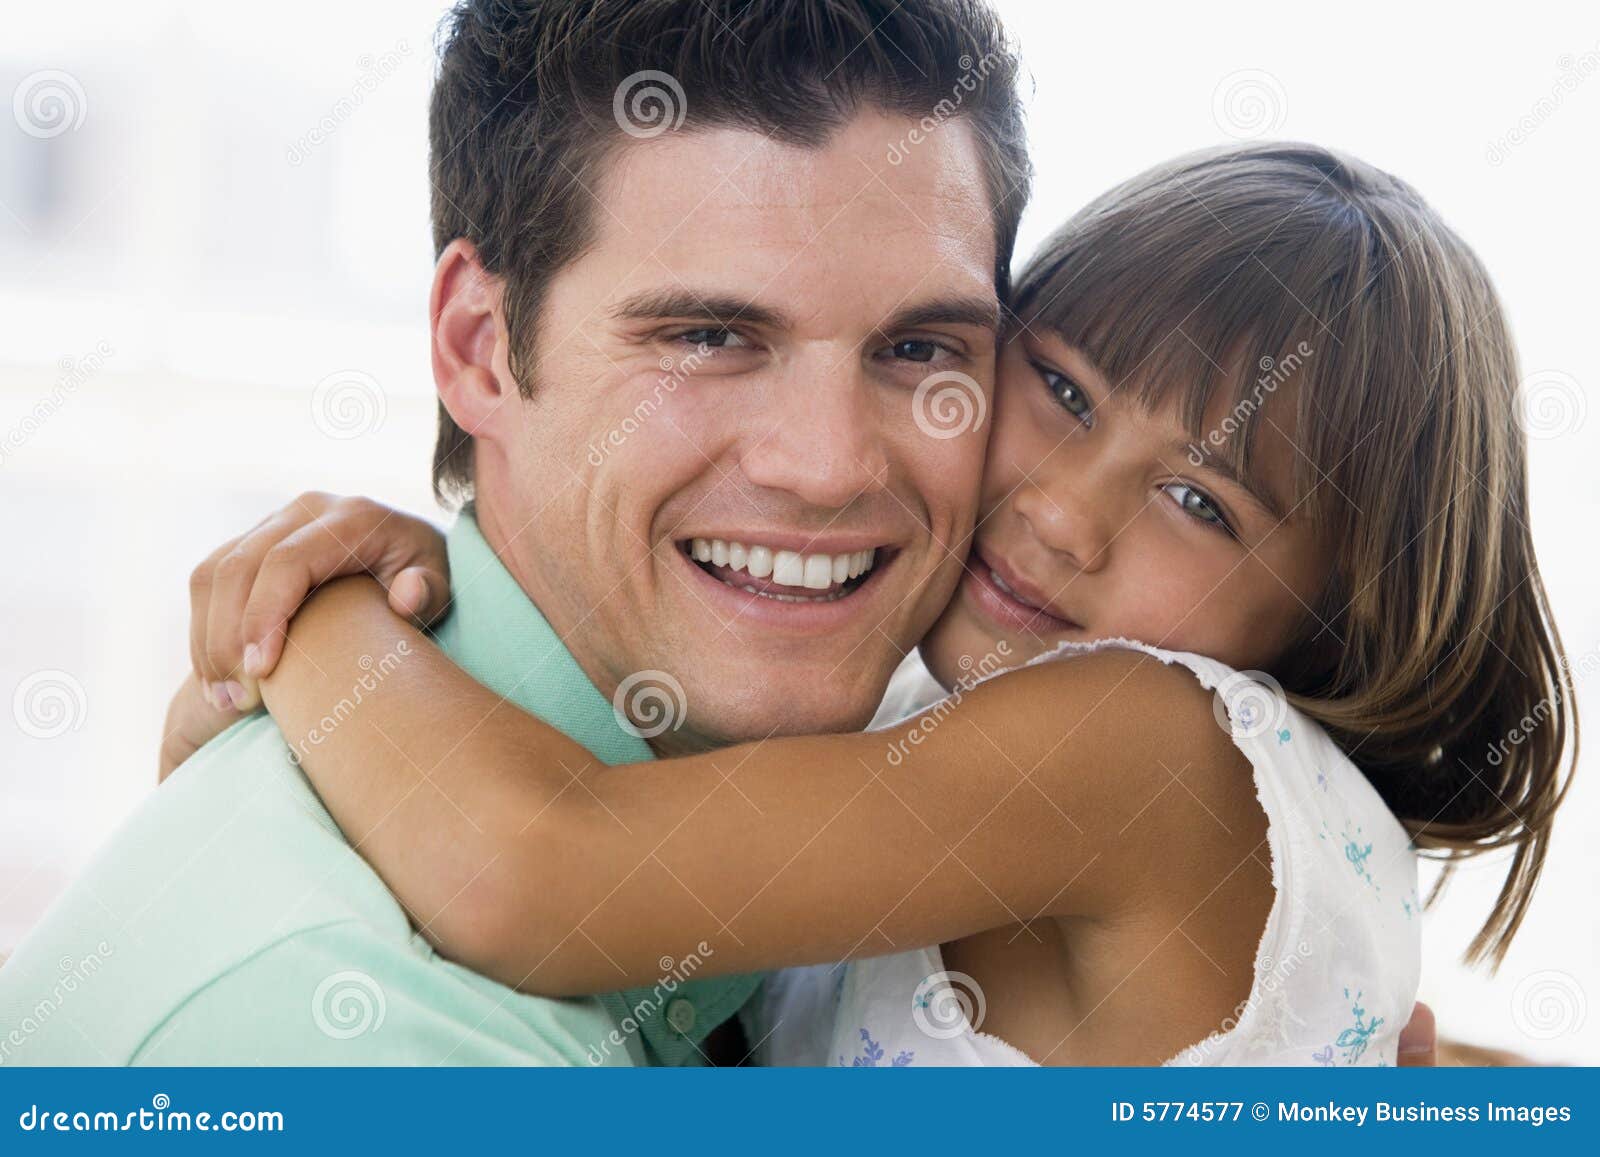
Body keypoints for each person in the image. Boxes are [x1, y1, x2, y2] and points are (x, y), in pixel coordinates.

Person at [172, 143, 1558, 1066]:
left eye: (1201, 502)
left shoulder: (1145, 741)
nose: (1063, 513)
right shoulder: (943, 714)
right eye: (1060, 390)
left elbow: (531, 870)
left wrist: (322, 613)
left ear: (1333, 616)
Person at [0, 0, 1033, 1065]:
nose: (829, 467)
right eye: (711, 336)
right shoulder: (375, 1031)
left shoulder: (915, 821)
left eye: (918, 348)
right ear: (478, 349)